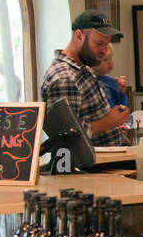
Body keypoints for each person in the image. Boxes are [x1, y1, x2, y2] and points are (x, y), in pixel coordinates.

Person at [41, 10, 130, 147]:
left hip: (115, 157)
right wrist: (109, 122)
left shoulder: (85, 68)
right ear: (79, 36)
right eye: (99, 43)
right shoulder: (65, 78)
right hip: (97, 166)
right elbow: (65, 135)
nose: (104, 50)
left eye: (106, 44)